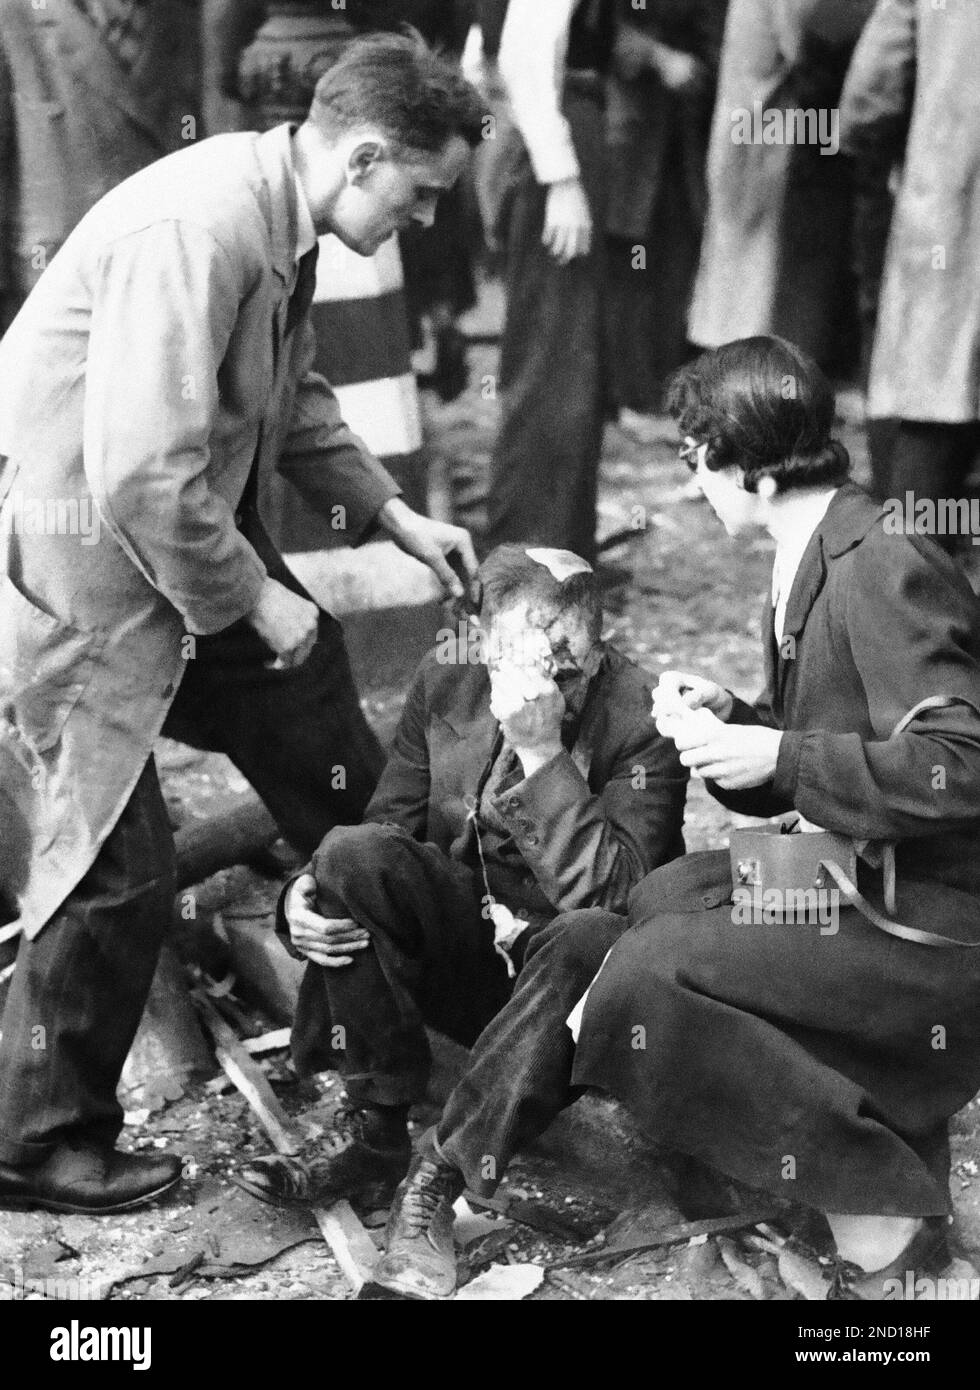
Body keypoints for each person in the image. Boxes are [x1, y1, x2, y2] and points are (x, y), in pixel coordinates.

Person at [0, 32, 483, 1216]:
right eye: (419, 196)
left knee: (321, 715)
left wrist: (389, 514)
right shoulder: (202, 229)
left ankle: (397, 1011)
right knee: (117, 862)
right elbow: (136, 477)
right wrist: (250, 597)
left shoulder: (282, 216)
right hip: (88, 562)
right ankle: (36, 1140)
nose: (422, 222)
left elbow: (292, 397)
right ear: (365, 155)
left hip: (180, 535)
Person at [569, 337, 980, 1300]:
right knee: (659, 899)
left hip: (938, 917)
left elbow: (962, 766)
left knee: (651, 974)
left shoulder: (883, 559)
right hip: (864, 873)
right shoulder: (810, 552)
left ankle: (886, 1211)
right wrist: (743, 727)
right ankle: (854, 1125)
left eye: (692, 456)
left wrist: (782, 756)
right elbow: (835, 754)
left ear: (743, 465)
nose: (689, 480)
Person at [236, 543, 688, 1299]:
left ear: (599, 643)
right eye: (521, 667)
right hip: (474, 960)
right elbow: (389, 835)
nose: (550, 691)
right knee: (348, 853)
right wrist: (298, 900)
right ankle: (374, 1128)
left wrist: (544, 752)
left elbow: (615, 897)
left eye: (568, 670)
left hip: (574, 992)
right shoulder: (447, 682)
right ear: (482, 643)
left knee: (593, 938)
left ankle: (438, 1177)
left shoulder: (644, 715)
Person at [484, 0, 615, 565]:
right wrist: (559, 176)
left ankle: (565, 548)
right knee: (552, 362)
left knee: (576, 362)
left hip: (571, 132)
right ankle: (532, 555)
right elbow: (520, 58)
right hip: (559, 147)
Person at [840, 0, 980, 519]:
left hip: (949, 202)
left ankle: (909, 567)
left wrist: (880, 150)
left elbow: (870, 90)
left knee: (933, 388)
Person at [687, 0, 874, 375]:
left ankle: (740, 389)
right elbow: (813, 38)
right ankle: (751, 393)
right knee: (756, 275)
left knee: (740, 270)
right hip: (769, 136)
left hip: (757, 129)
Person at [0, 0, 201, 334]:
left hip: (161, 280)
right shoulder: (14, 13)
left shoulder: (176, 13)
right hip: (52, 286)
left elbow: (193, 131)